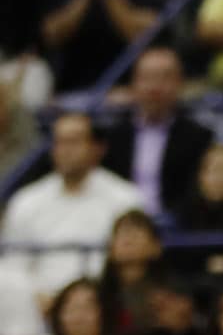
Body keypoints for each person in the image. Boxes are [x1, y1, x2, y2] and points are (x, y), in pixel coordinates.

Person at [1, 113, 142, 302]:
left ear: (97, 148)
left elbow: (133, 262)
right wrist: (37, 298)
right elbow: (13, 265)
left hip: (106, 301)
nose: (65, 150)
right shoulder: (26, 201)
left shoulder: (126, 199)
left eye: (74, 142)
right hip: (39, 303)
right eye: (59, 142)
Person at [101, 48, 215, 218]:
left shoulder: (200, 137)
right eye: (147, 78)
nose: (155, 87)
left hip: (179, 227)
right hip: (122, 223)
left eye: (165, 77)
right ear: (133, 84)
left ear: (180, 83)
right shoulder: (113, 137)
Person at [98, 210, 166, 335]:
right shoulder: (97, 294)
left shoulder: (170, 293)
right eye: (122, 232)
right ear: (110, 248)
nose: (129, 237)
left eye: (137, 230)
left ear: (156, 247)